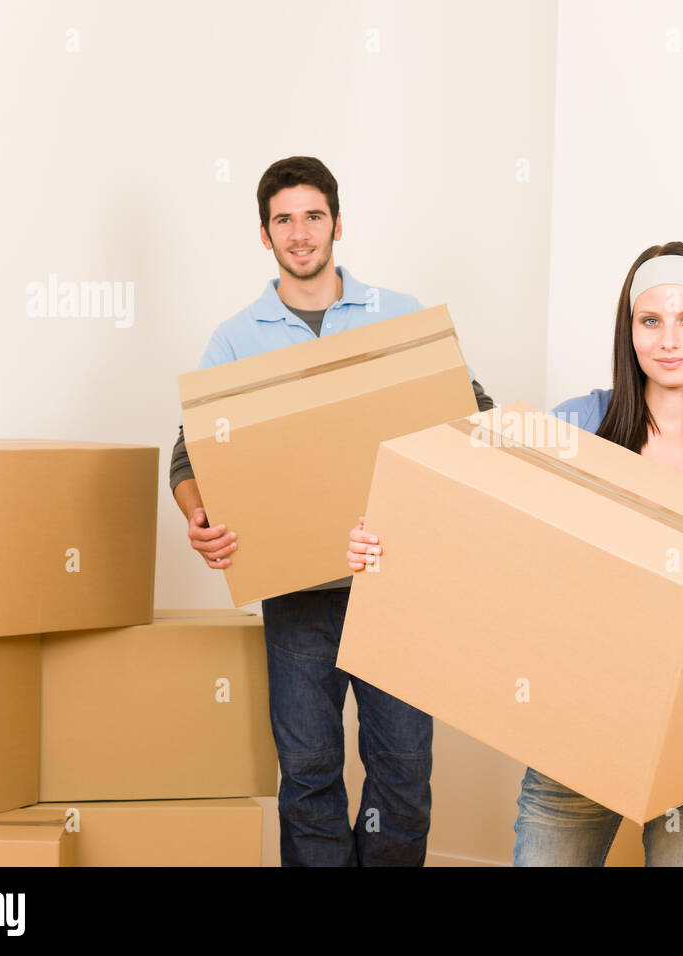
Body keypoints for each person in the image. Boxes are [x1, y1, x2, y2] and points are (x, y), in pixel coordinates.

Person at [346, 241, 683, 867]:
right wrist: (387, 543)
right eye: (651, 321)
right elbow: (481, 517)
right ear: (629, 331)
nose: (669, 339)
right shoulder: (578, 427)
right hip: (578, 735)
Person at [170, 156, 494, 866]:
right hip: (297, 597)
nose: (300, 232)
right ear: (265, 236)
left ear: (338, 224)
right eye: (283, 219)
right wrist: (200, 521)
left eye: (313, 216)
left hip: (396, 585)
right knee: (310, 777)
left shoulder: (398, 316)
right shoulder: (235, 339)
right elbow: (188, 457)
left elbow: (475, 415)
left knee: (403, 777)